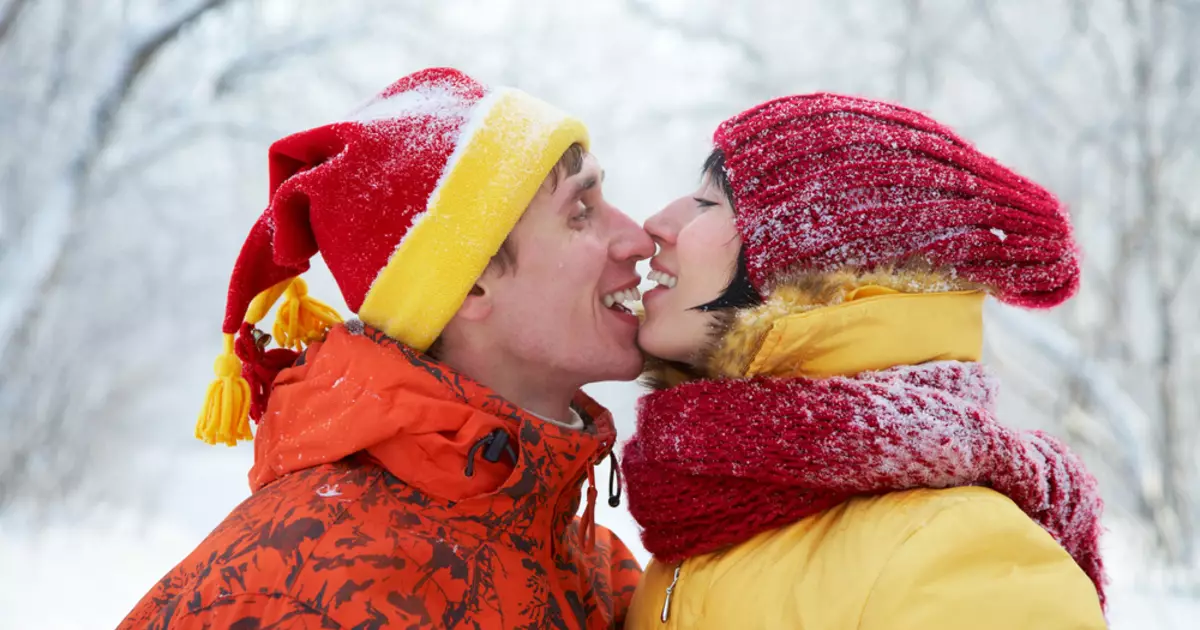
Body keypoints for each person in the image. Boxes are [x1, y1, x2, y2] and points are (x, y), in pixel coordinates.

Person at [118, 67, 650, 629]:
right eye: (580, 213)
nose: (638, 239)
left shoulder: (596, 571)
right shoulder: (296, 583)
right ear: (469, 282)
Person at [621, 93, 1108, 629]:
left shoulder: (956, 559)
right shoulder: (709, 522)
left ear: (809, 265)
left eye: (708, 203)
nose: (656, 223)